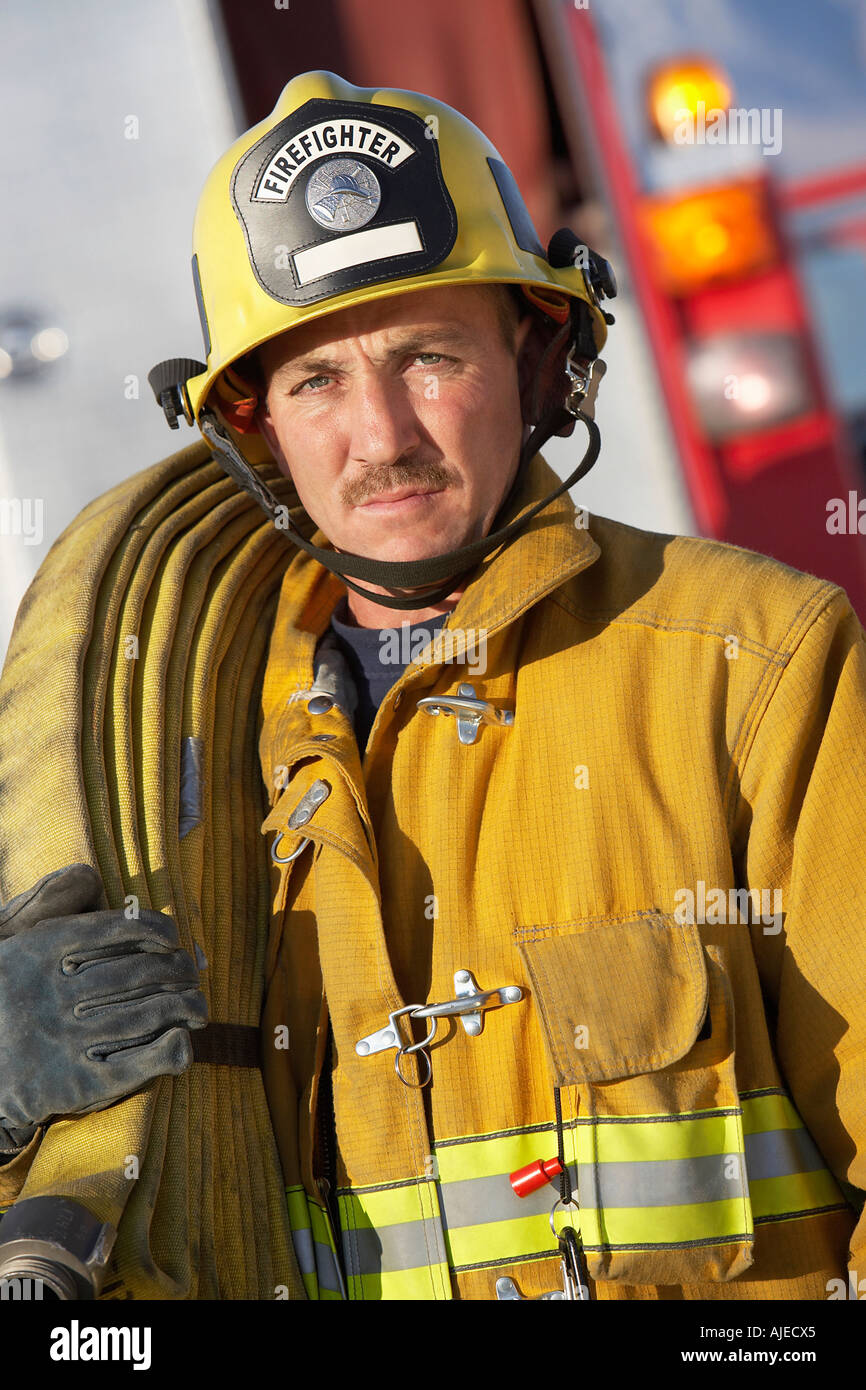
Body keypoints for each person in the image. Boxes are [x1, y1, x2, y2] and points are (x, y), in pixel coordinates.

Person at [0, 70, 863, 1303]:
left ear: (534, 352)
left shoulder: (757, 662)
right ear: (253, 429)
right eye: (314, 383)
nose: (381, 434)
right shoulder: (178, 751)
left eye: (427, 357)